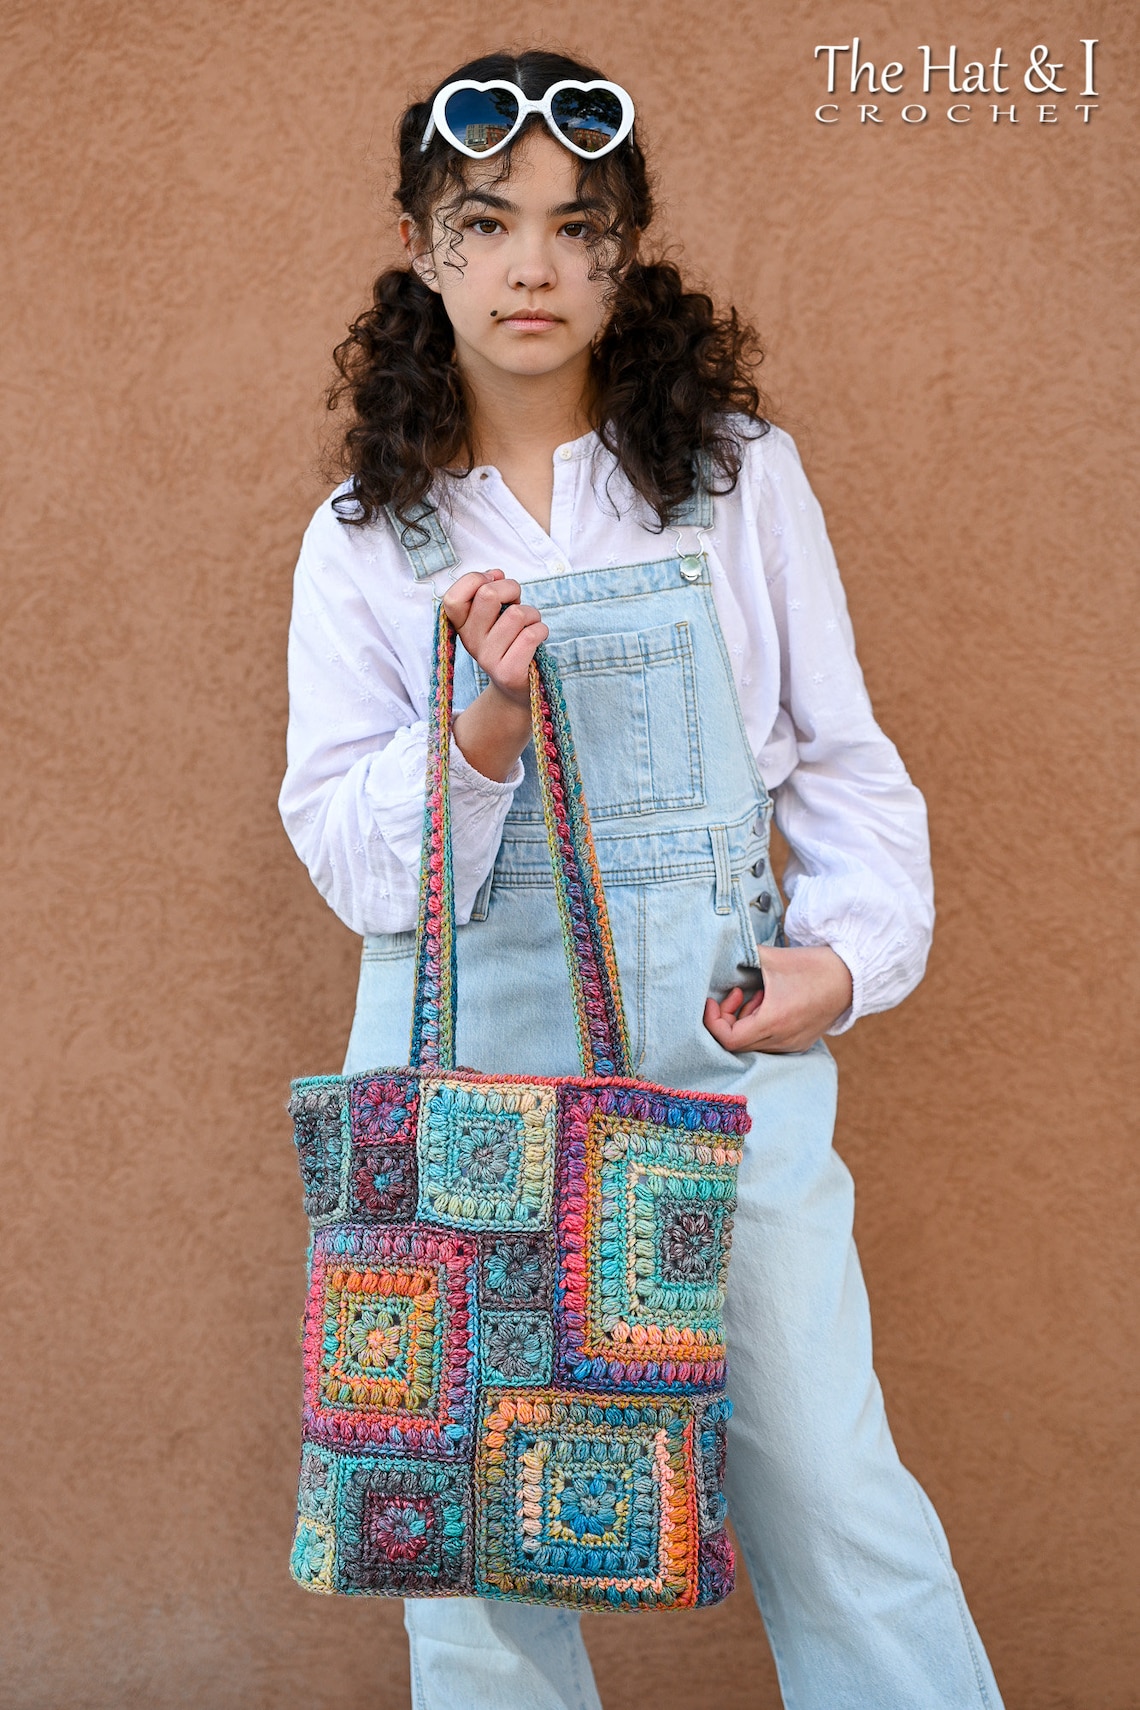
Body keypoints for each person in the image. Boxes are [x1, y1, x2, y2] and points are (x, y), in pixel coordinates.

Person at [279, 46, 1004, 1710]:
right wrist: (481, 727)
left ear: (626, 252)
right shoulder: (365, 538)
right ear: (423, 246)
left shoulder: (736, 483)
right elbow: (350, 855)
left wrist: (843, 962)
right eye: (486, 223)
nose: (530, 266)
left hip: (718, 1041)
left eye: (575, 225)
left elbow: (843, 764)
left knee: (828, 1481)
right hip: (459, 1069)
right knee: (468, 1526)